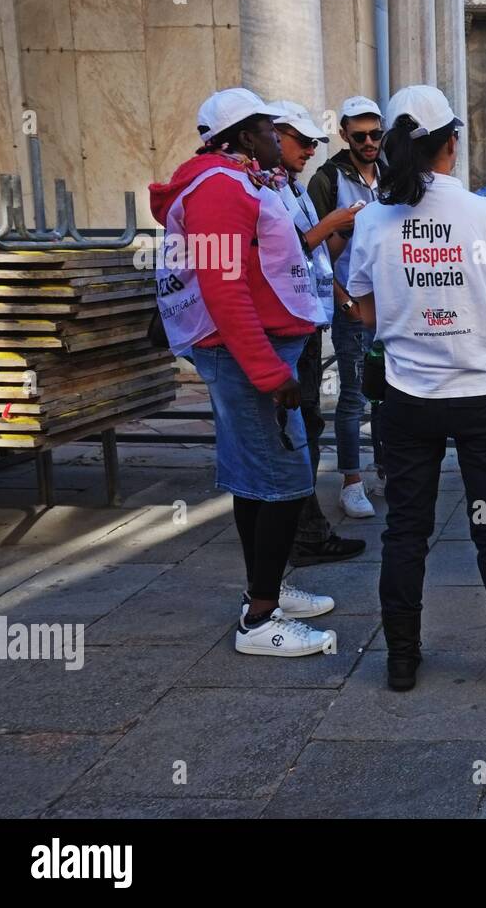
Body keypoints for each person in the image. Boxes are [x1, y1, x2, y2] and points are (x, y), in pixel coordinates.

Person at [348, 85, 486, 693]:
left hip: (409, 398)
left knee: (406, 530)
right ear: (451, 146)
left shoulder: (375, 220)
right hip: (485, 396)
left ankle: (402, 659)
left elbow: (363, 310)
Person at [150, 88, 336, 656]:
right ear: (240, 136)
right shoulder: (218, 187)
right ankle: (260, 620)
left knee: (258, 479)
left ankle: (268, 588)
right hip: (248, 357)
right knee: (282, 483)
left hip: (253, 353)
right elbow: (223, 287)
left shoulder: (235, 180)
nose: (275, 136)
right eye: (265, 127)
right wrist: (267, 372)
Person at [268, 101, 369, 568]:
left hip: (308, 319)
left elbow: (317, 253)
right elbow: (283, 256)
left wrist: (343, 231)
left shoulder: (289, 186)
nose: (309, 149)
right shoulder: (274, 188)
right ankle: (296, 536)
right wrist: (332, 224)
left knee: (306, 423)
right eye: (300, 140)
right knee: (293, 427)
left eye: (313, 142)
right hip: (287, 324)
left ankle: (303, 530)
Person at [308, 95, 385, 520]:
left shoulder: (391, 174)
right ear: (344, 134)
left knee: (389, 395)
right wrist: (342, 299)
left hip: (391, 301)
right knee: (353, 395)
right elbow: (315, 249)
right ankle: (351, 481)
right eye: (360, 136)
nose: (370, 142)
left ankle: (386, 468)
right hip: (352, 301)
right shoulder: (327, 178)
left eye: (376, 133)